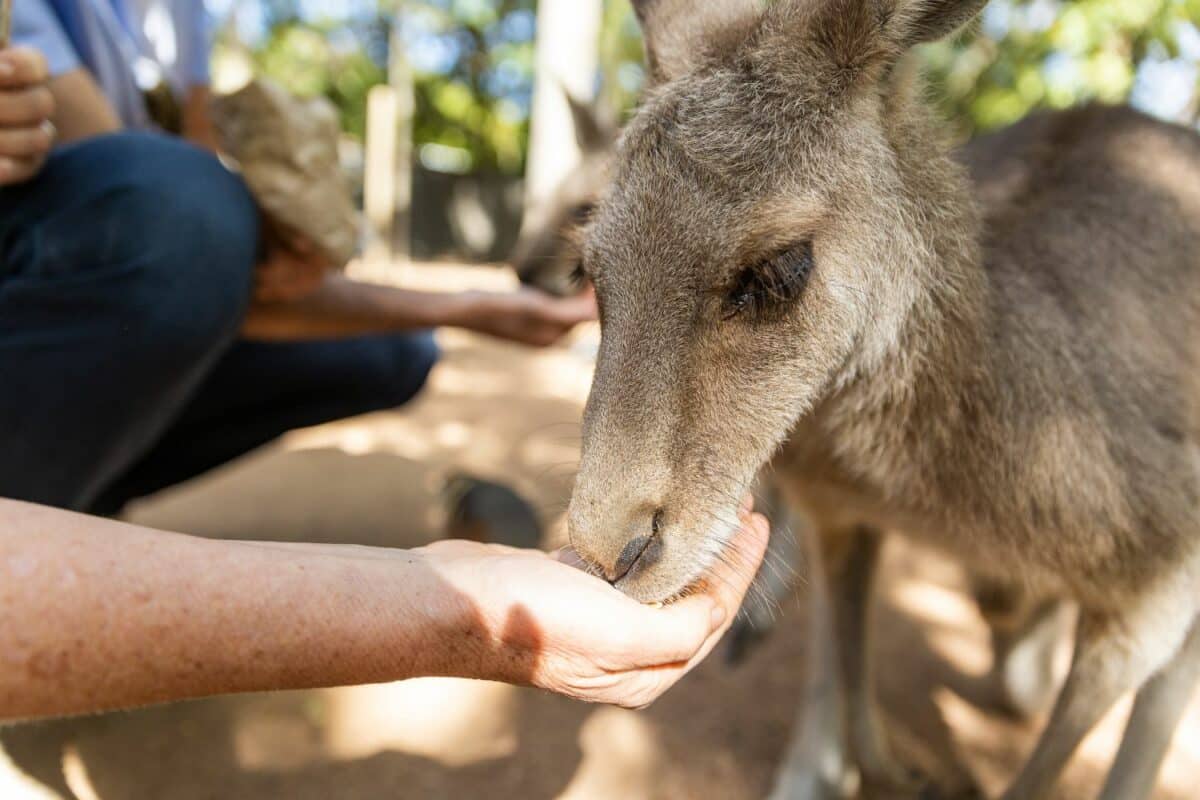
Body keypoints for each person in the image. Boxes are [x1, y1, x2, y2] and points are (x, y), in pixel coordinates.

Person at [0, 9, 771, 718]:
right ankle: (36, 510)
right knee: (184, 206)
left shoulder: (179, 19)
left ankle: (82, 493)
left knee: (391, 354)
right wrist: (467, 615)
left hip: (111, 293)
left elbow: (238, 279)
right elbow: (177, 237)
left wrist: (465, 308)